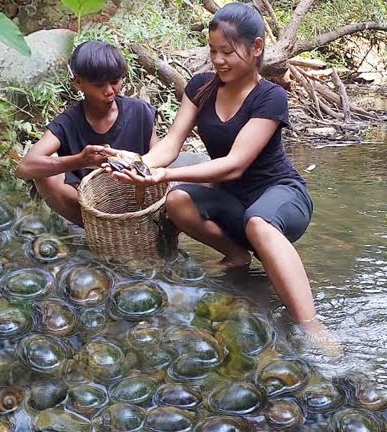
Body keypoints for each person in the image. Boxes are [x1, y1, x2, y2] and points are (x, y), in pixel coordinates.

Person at [107, 2, 323, 333]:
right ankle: (237, 256)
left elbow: (234, 166)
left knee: (259, 223)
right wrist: (137, 163)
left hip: (280, 195)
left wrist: (166, 174)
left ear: (257, 48)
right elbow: (170, 143)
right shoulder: (201, 87)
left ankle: (312, 326)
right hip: (233, 201)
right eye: (213, 50)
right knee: (177, 200)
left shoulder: (270, 97)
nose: (218, 60)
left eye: (227, 51)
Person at [15, 40, 157, 226]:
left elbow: (159, 156)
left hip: (139, 196)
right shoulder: (68, 122)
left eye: (115, 82)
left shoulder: (140, 111)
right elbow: (24, 168)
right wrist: (81, 160)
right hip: (90, 205)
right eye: (99, 85)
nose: (109, 91)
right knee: (44, 175)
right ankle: (97, 229)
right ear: (78, 82)